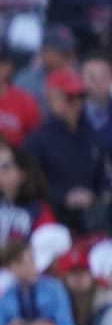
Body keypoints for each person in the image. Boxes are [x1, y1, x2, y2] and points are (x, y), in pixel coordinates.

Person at [26, 68, 106, 232]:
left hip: (92, 223)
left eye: (80, 97)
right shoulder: (36, 141)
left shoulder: (92, 135)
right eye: (69, 98)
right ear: (51, 99)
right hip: (51, 223)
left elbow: (102, 179)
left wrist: (96, 197)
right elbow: (30, 186)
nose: (76, 103)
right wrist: (64, 197)